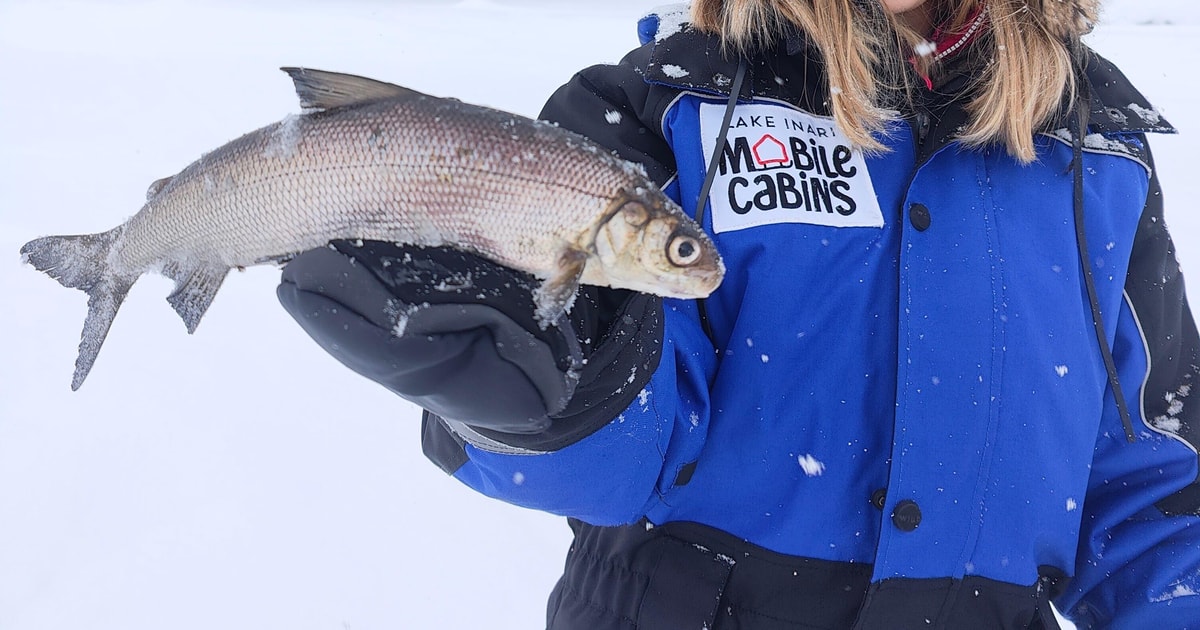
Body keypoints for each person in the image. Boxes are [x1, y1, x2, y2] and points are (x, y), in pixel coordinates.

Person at [276, 0, 1200, 627]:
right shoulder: (665, 102)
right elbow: (627, 449)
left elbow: (1152, 482)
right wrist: (533, 410)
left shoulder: (1097, 147)